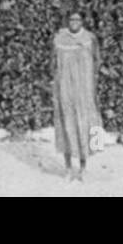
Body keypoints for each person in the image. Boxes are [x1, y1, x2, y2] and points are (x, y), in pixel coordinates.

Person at [52, 11, 100, 182]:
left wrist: (92, 86)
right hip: (65, 90)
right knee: (66, 125)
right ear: (67, 21)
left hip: (84, 91)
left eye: (77, 19)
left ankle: (83, 168)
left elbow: (96, 62)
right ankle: (68, 169)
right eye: (71, 19)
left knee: (85, 125)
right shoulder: (58, 39)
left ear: (82, 21)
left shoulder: (90, 38)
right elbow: (53, 65)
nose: (74, 22)